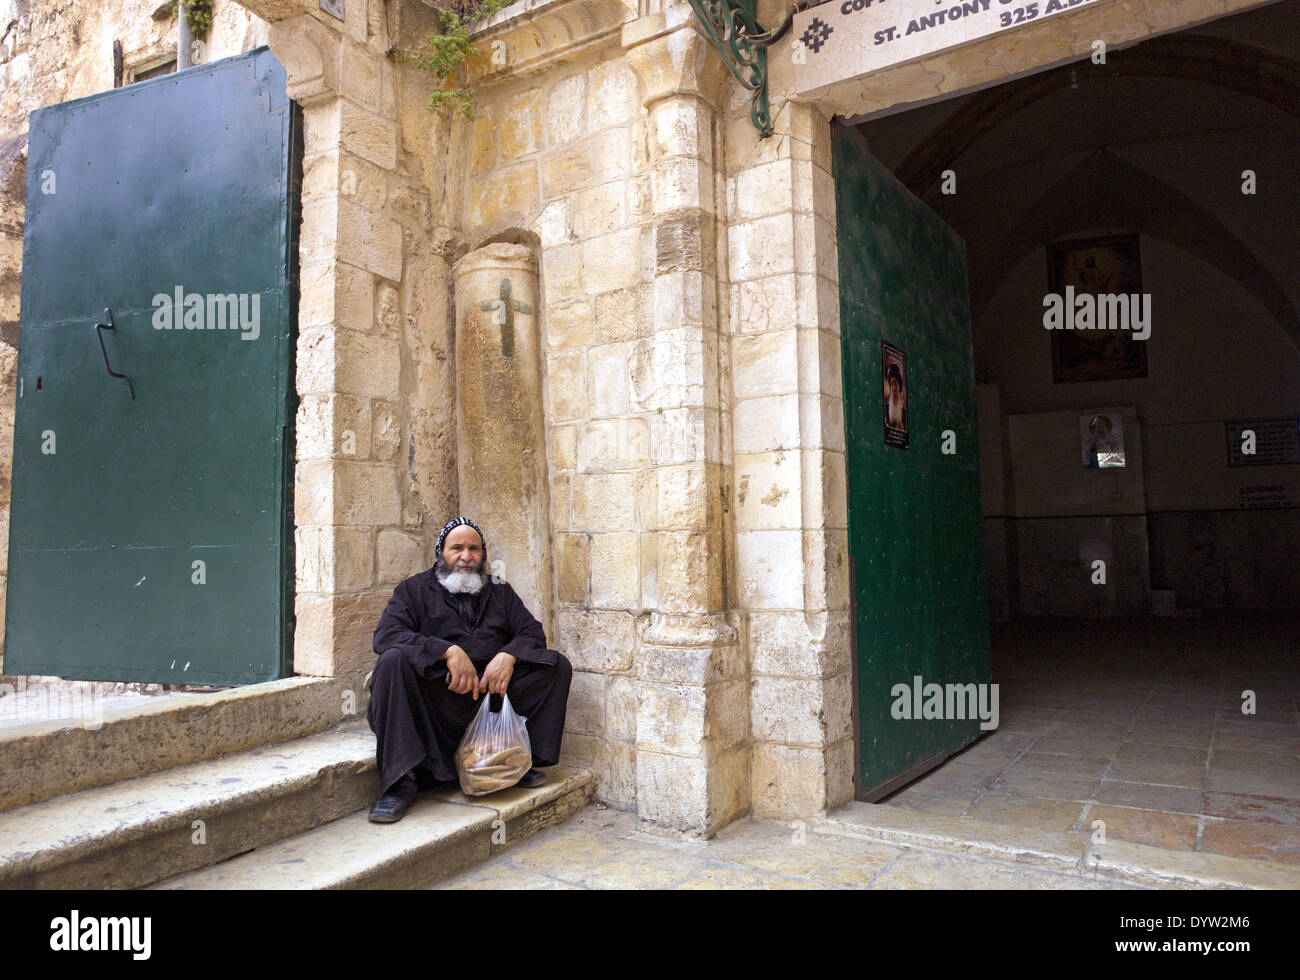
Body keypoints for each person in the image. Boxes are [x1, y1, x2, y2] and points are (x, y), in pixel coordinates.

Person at [366, 517, 573, 823]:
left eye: (474, 549)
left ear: (483, 554)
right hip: (437, 700)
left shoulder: (500, 591)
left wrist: (508, 655)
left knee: (555, 665)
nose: (466, 556)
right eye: (457, 548)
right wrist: (444, 651)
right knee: (391, 662)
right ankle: (400, 782)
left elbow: (532, 633)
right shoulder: (413, 590)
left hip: (488, 701)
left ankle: (516, 761)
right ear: (441, 552)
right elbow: (386, 636)